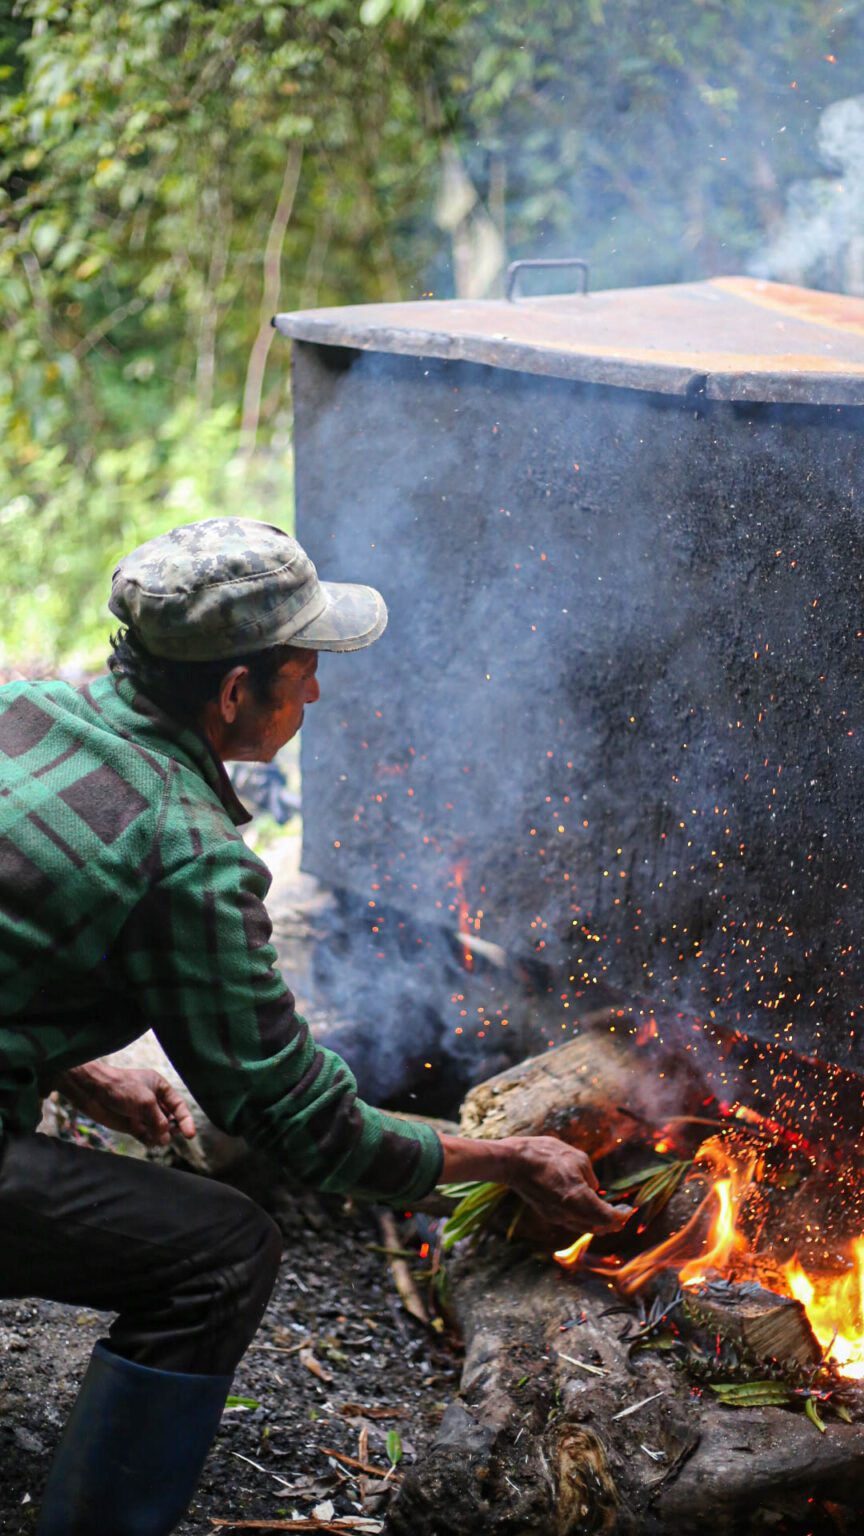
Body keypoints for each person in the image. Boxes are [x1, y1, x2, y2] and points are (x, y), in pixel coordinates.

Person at [0, 518, 626, 1536]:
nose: (318, 696)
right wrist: (509, 1159)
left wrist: (78, 1068)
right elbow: (305, 1127)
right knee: (222, 1253)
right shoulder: (186, 851)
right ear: (236, 695)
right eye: (303, 673)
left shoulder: (21, 710)